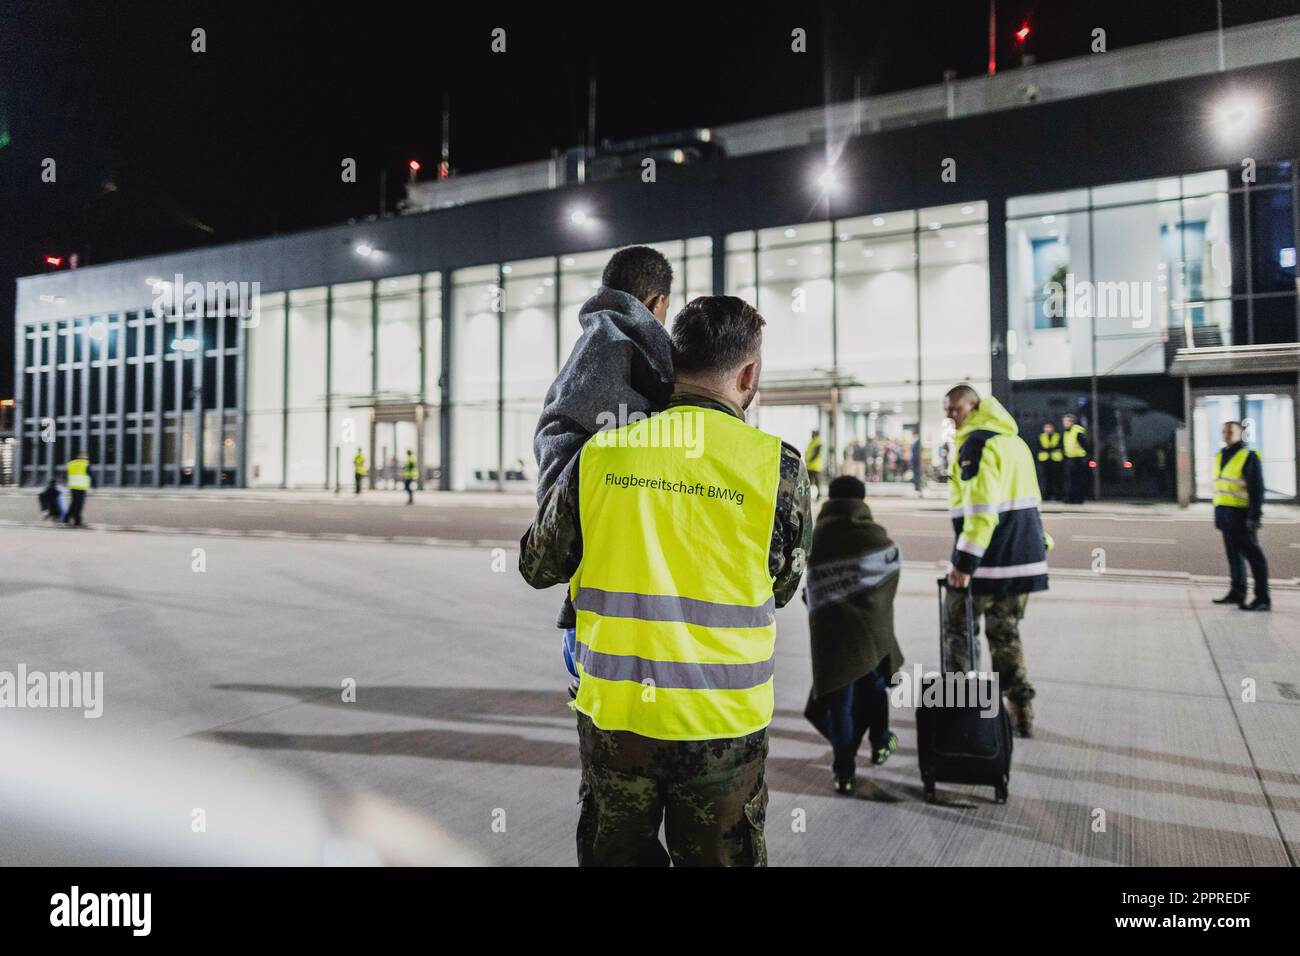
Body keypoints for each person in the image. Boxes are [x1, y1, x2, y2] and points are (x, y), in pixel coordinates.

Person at [520, 295, 811, 866]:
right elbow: (783, 586)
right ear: (748, 374)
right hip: (722, 727)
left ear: (672, 365)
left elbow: (537, 566)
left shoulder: (601, 455)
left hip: (616, 720)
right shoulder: (779, 467)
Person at [531, 246, 677, 696]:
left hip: (589, 598)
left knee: (600, 727)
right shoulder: (646, 360)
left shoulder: (583, 356)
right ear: (656, 302)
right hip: (638, 608)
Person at [943, 384, 1051, 738]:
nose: (950, 415)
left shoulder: (975, 444)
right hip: (1022, 561)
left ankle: (962, 714)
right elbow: (1030, 502)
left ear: (974, 406)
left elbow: (981, 513)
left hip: (987, 563)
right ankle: (1021, 710)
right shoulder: (1014, 442)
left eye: (955, 408)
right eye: (947, 410)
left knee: (959, 632)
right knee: (1006, 635)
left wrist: (963, 564)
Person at [802, 475, 903, 795]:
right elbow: (889, 572)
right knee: (875, 686)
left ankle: (843, 773)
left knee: (840, 703)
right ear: (862, 500)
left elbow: (813, 589)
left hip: (833, 636)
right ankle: (879, 744)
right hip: (870, 633)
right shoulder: (874, 535)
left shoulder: (818, 536)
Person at [1211, 420, 1270, 611]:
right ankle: (1237, 591)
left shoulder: (1248, 456)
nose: (1227, 434)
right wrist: (1218, 513)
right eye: (1224, 431)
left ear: (1240, 433)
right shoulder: (1221, 455)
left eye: (1231, 431)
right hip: (1225, 514)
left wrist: (1254, 516)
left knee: (1254, 556)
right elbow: (1220, 487)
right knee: (1233, 556)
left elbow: (1256, 489)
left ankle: (1262, 598)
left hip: (1242, 515)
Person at [1061, 414, 1089, 504]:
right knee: (1070, 480)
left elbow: (1085, 444)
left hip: (1079, 459)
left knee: (1078, 480)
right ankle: (1070, 498)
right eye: (1064, 421)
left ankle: (1079, 498)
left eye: (1066, 421)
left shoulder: (1077, 430)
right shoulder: (1066, 431)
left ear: (1072, 422)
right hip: (1070, 458)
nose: (1064, 423)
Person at [1036, 422, 1063, 501]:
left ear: (1053, 429)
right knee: (1045, 479)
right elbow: (1038, 447)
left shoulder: (1057, 436)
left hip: (1055, 460)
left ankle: (1057, 495)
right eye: (1046, 428)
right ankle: (1045, 495)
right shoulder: (1041, 437)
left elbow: (1059, 446)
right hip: (1044, 460)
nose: (1048, 429)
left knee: (1056, 479)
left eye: (1049, 427)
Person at [63, 451, 91, 527]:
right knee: (78, 505)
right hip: (81, 487)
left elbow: (66, 475)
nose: (86, 457)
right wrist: (94, 485)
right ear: (82, 457)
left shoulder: (71, 464)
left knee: (73, 504)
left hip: (72, 487)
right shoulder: (85, 464)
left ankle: (67, 519)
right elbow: (90, 475)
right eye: (85, 456)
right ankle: (77, 521)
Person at [806, 430, 825, 500]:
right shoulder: (811, 442)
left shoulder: (818, 442)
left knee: (817, 482)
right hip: (810, 466)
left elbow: (816, 454)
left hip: (816, 466)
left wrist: (810, 460)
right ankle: (807, 496)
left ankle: (819, 496)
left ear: (816, 434)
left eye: (813, 434)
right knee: (808, 482)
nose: (811, 435)